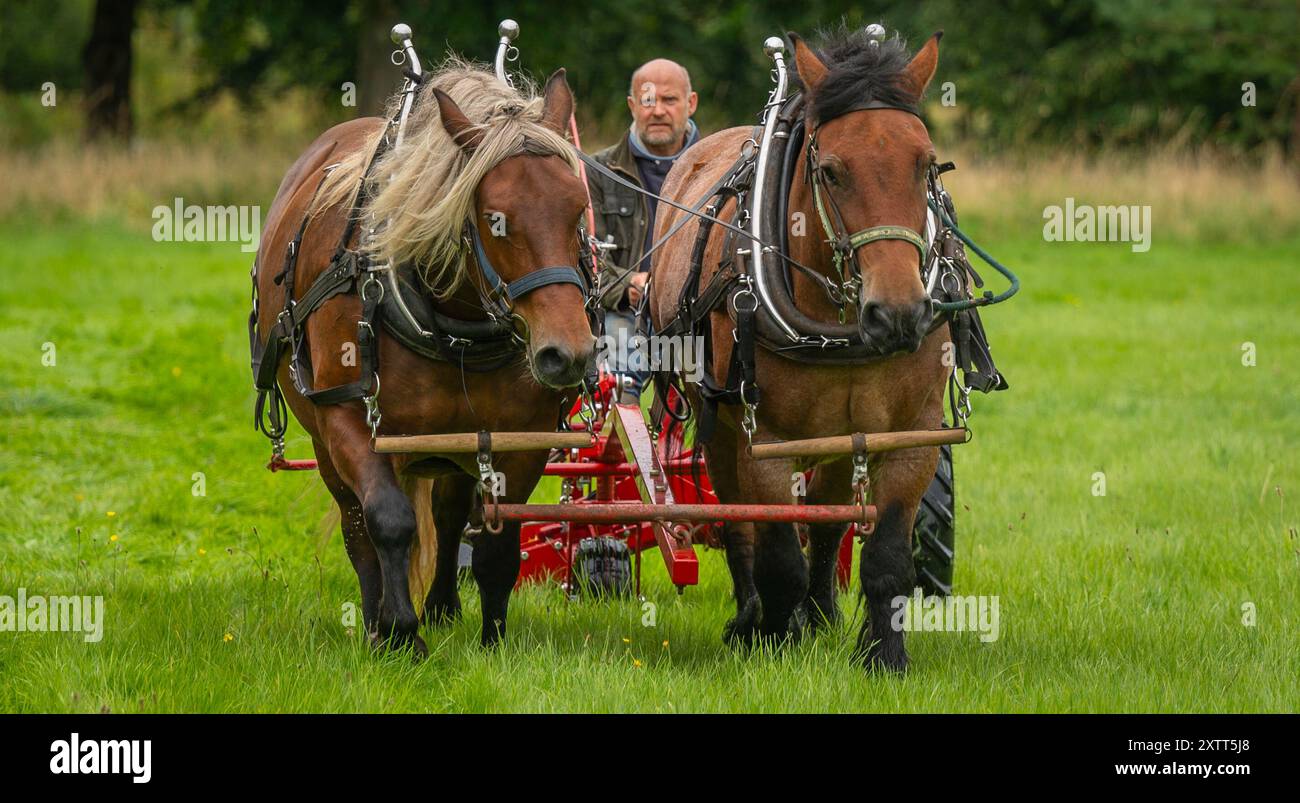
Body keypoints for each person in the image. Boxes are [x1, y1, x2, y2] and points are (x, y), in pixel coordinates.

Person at [587, 59, 699, 403]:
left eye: (669, 100)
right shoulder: (597, 171)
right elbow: (585, 260)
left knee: (709, 390)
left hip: (698, 315)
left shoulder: (721, 168)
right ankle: (621, 442)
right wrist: (630, 286)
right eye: (648, 101)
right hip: (623, 314)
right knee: (621, 390)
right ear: (632, 106)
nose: (658, 111)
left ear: (691, 103)